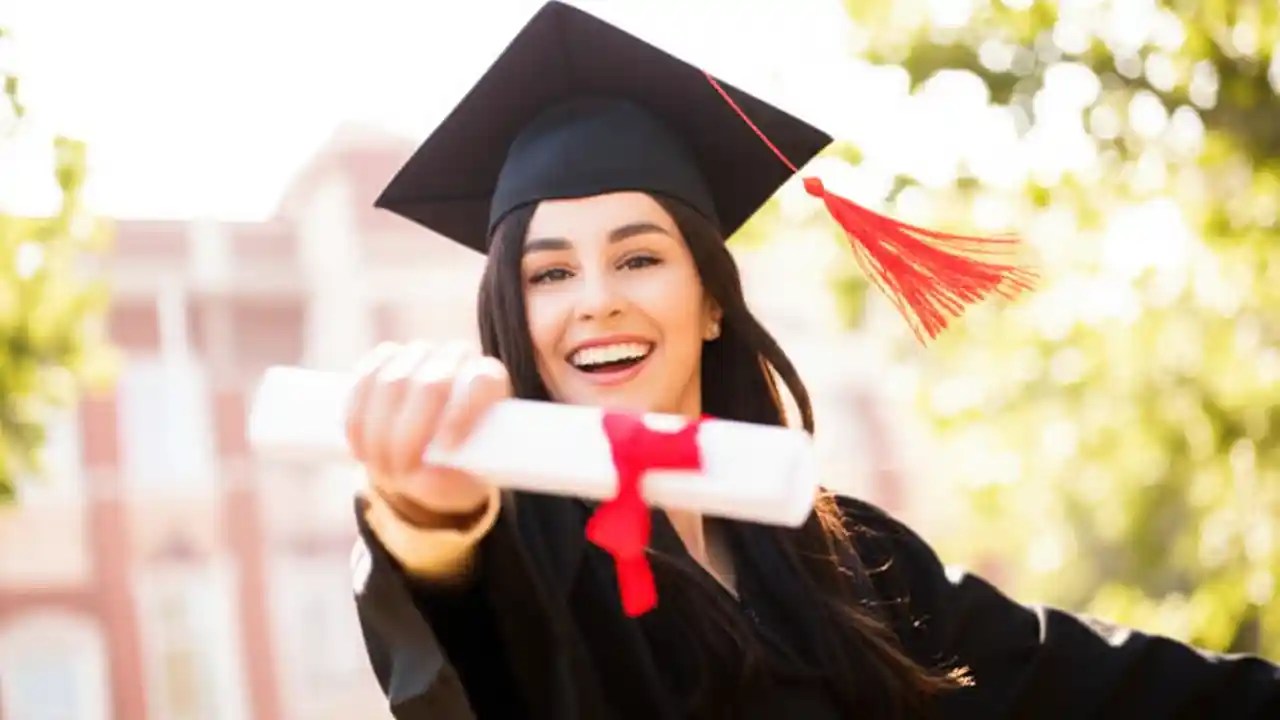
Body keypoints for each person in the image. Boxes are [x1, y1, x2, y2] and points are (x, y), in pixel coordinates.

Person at [344, 3, 1280, 718]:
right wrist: (426, 522)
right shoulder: (514, 558)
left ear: (711, 300)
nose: (596, 298)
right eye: (550, 273)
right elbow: (464, 671)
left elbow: (1088, 682)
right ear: (512, 310)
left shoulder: (846, 557)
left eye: (638, 257)